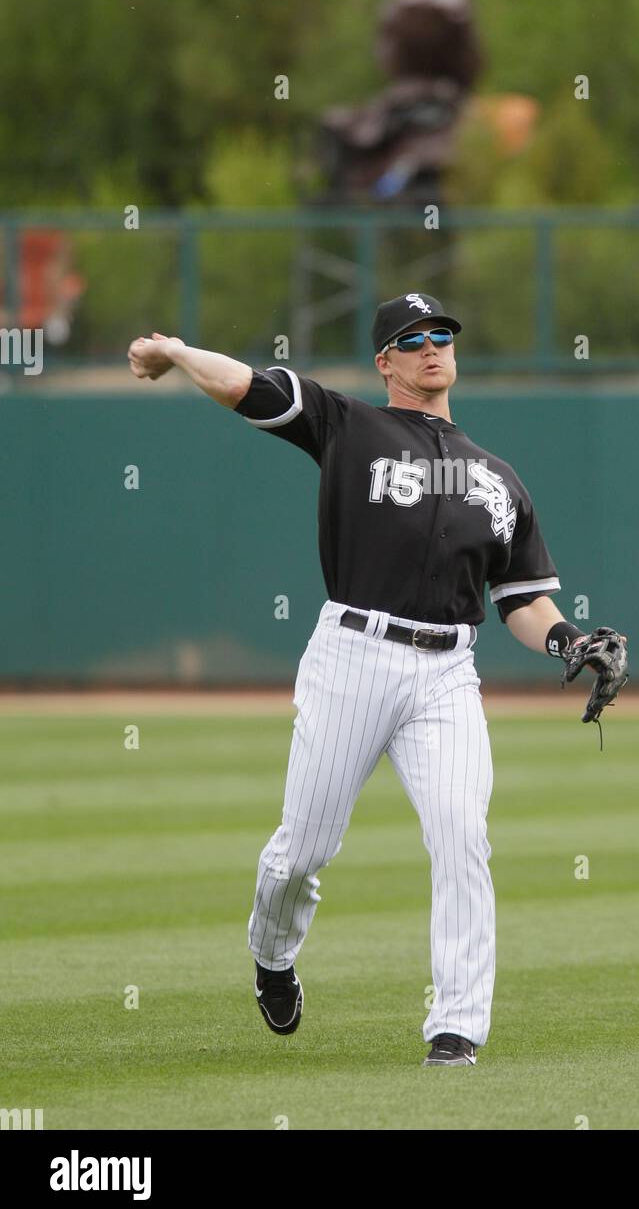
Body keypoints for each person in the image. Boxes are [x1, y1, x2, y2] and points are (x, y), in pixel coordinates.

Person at [127, 293, 598, 1067]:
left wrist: (569, 642)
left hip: (448, 669)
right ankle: (273, 957)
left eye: (442, 334)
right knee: (301, 853)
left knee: (462, 838)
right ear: (387, 360)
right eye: (412, 340)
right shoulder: (348, 425)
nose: (432, 348)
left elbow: (521, 600)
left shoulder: (495, 477)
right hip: (354, 654)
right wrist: (179, 353)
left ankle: (456, 1031)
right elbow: (248, 384)